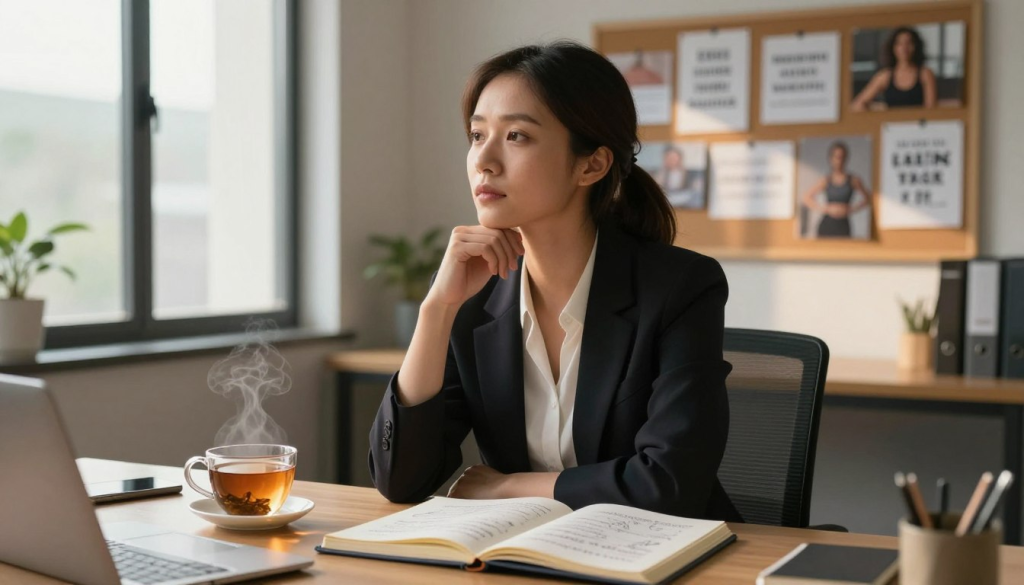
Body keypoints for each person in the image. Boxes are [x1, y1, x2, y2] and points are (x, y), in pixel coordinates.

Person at [367, 41, 740, 522]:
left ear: (592, 164)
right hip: (525, 556)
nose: (485, 160)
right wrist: (437, 309)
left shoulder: (680, 288)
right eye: (478, 135)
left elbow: (670, 484)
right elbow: (400, 481)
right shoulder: (475, 300)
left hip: (660, 555)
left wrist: (508, 486)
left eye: (517, 136)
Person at [851, 26, 936, 111]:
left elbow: (931, 109)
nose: (904, 48)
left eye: (908, 43)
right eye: (899, 43)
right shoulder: (885, 76)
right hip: (890, 123)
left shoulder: (925, 74)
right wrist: (880, 108)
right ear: (893, 47)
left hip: (918, 123)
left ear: (916, 46)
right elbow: (857, 104)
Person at [800, 141, 872, 238]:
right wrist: (824, 208)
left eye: (842, 157)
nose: (839, 161)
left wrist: (852, 209)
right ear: (831, 159)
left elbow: (868, 198)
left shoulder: (853, 180)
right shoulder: (826, 180)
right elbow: (806, 197)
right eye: (837, 157)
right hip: (827, 225)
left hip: (843, 225)